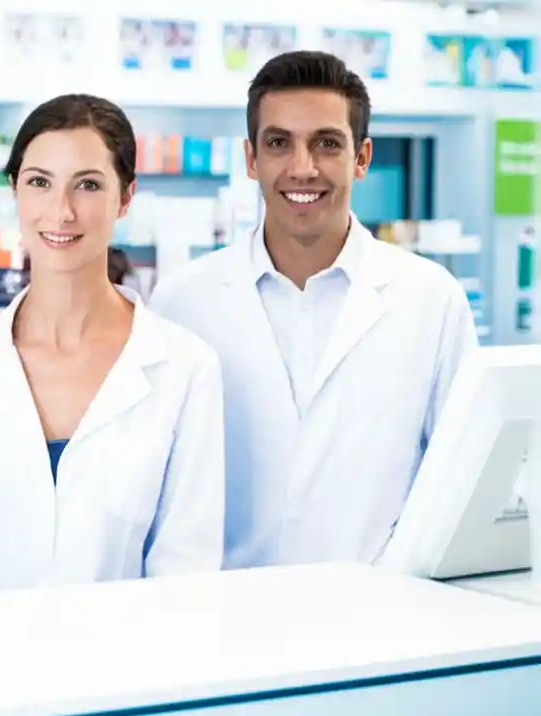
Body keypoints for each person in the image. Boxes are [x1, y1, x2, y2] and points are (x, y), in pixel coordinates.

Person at [0, 94, 225, 599]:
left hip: (126, 671)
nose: (61, 212)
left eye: (87, 185)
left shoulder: (185, 368)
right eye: (39, 182)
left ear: (125, 198)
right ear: (15, 192)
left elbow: (186, 578)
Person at [149, 51, 479, 570]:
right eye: (279, 143)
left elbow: (463, 480)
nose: (303, 168)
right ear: (251, 159)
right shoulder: (182, 302)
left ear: (362, 157)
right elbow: (154, 488)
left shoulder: (431, 300)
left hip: (385, 619)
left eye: (327, 144)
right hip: (223, 620)